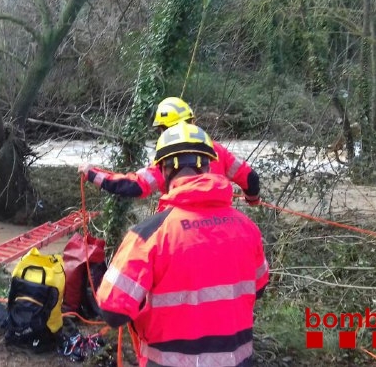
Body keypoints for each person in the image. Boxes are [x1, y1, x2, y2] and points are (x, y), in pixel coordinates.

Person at [95, 121, 269, 367]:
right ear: (209, 166)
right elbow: (259, 287)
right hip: (238, 360)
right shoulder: (247, 228)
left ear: (164, 171)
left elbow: (113, 311)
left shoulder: (148, 235)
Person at [79, 96, 261, 210]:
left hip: (178, 227)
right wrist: (252, 199)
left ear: (164, 130)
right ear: (191, 120)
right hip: (221, 222)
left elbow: (135, 186)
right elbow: (250, 177)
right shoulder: (215, 150)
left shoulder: (167, 160)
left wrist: (92, 173)